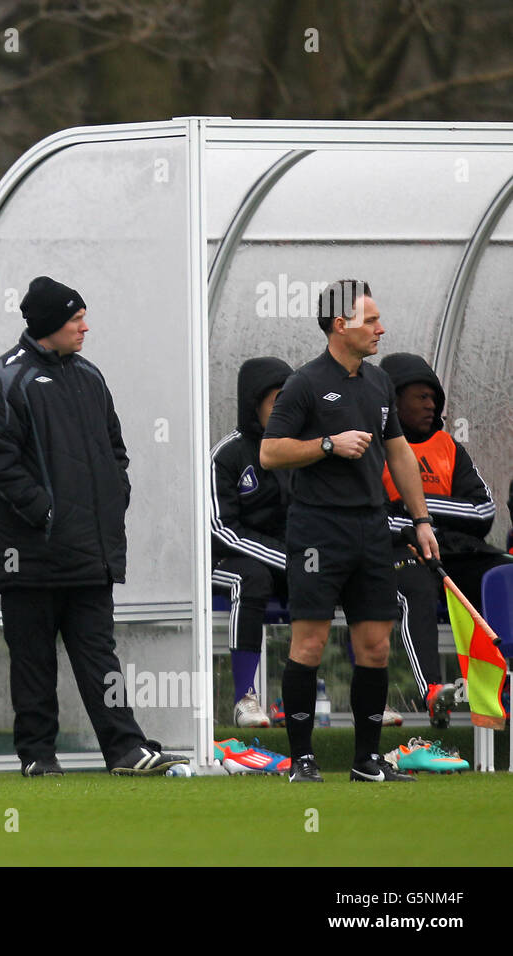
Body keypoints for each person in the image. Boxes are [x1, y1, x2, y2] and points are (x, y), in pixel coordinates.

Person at [0, 275, 189, 777]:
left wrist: (114, 501)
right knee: (33, 662)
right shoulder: (6, 379)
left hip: (92, 552)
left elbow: (116, 451)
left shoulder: (90, 376)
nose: (85, 327)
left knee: (99, 656)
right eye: (75, 319)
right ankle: (38, 758)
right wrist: (46, 512)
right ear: (50, 324)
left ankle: (127, 750)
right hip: (30, 555)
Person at [260, 279, 438, 784]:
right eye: (371, 320)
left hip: (371, 527)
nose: (381, 328)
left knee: (375, 647)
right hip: (318, 528)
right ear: (341, 325)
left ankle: (366, 760)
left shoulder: (380, 382)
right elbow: (270, 452)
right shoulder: (304, 383)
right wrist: (327, 444)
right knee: (311, 643)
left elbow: (399, 451)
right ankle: (303, 759)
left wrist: (421, 520)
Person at [378, 352, 510, 728]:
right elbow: (371, 516)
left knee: (503, 575)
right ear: (393, 402)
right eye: (420, 397)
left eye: (433, 398)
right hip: (399, 551)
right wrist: (414, 522)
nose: (430, 405)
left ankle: (499, 691)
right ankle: (433, 690)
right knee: (416, 586)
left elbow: (482, 513)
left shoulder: (449, 447)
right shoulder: (374, 447)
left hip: (455, 550)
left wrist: (414, 505)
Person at [210, 357, 292, 728]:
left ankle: (365, 701)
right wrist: (286, 557)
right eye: (276, 401)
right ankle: (245, 697)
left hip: (284, 558)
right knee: (252, 579)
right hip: (222, 563)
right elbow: (220, 529)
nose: (284, 410)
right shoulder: (227, 455)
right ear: (253, 403)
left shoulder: (298, 451)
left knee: (335, 574)